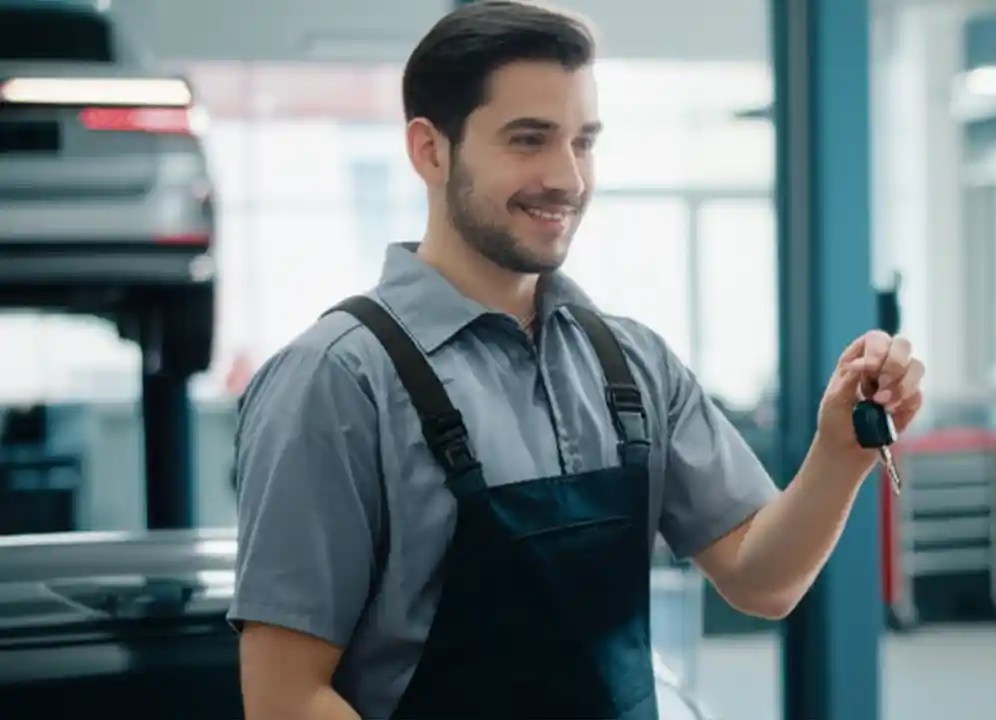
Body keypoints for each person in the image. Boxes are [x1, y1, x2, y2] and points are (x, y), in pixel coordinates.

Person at [229, 2, 925, 719]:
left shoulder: (632, 365)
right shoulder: (336, 382)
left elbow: (761, 580)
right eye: (528, 140)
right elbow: (286, 698)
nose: (567, 178)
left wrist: (839, 452)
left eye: (583, 142)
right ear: (430, 151)